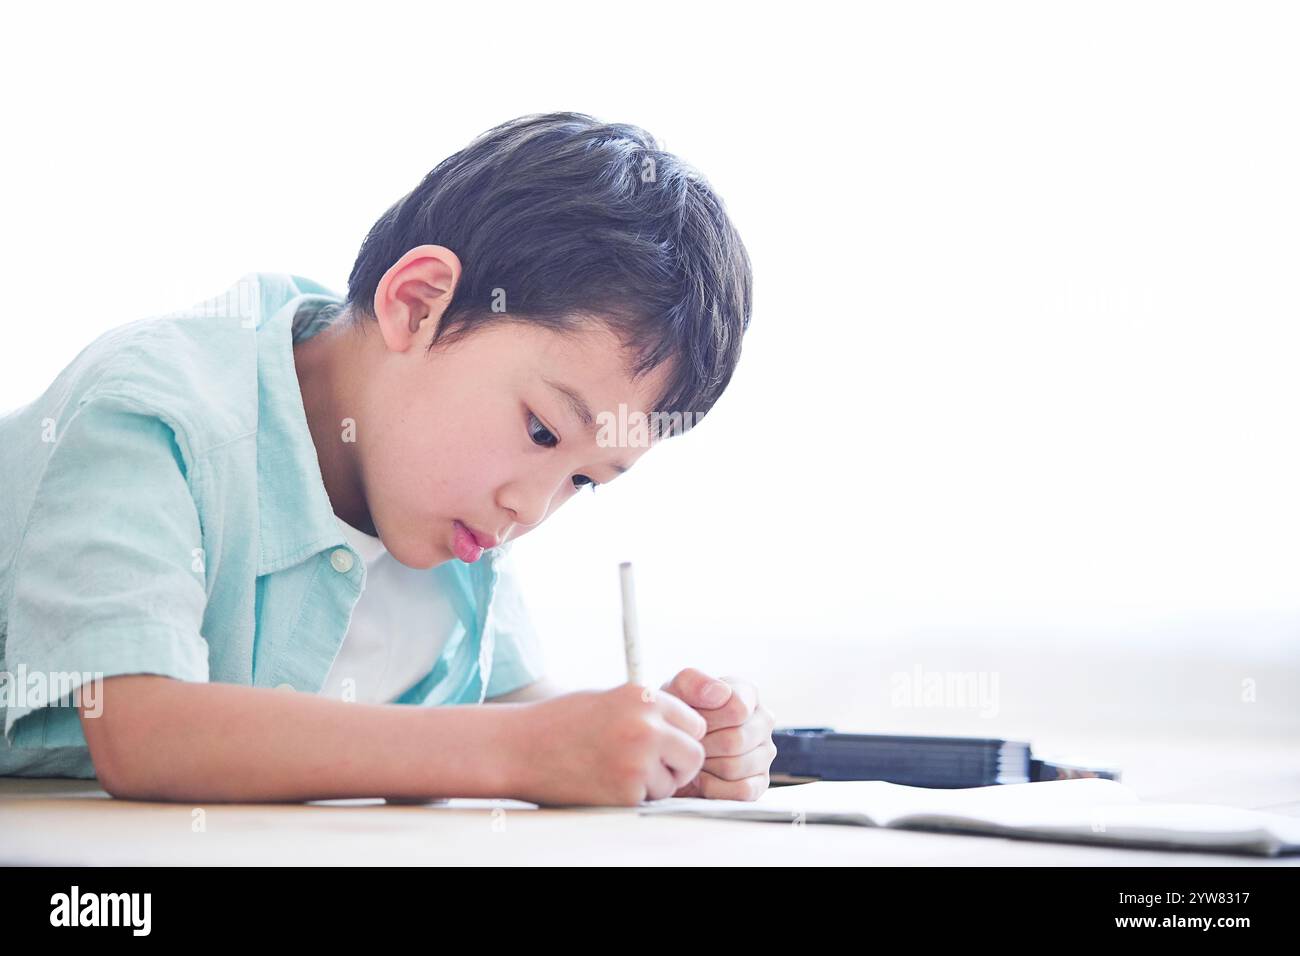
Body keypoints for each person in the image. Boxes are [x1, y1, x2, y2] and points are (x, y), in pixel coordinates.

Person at [0, 112, 775, 805]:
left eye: (581, 479)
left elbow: (519, 707)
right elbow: (144, 732)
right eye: (543, 431)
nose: (531, 507)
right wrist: (521, 752)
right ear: (417, 304)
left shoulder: (452, 509)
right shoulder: (159, 410)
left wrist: (657, 748)